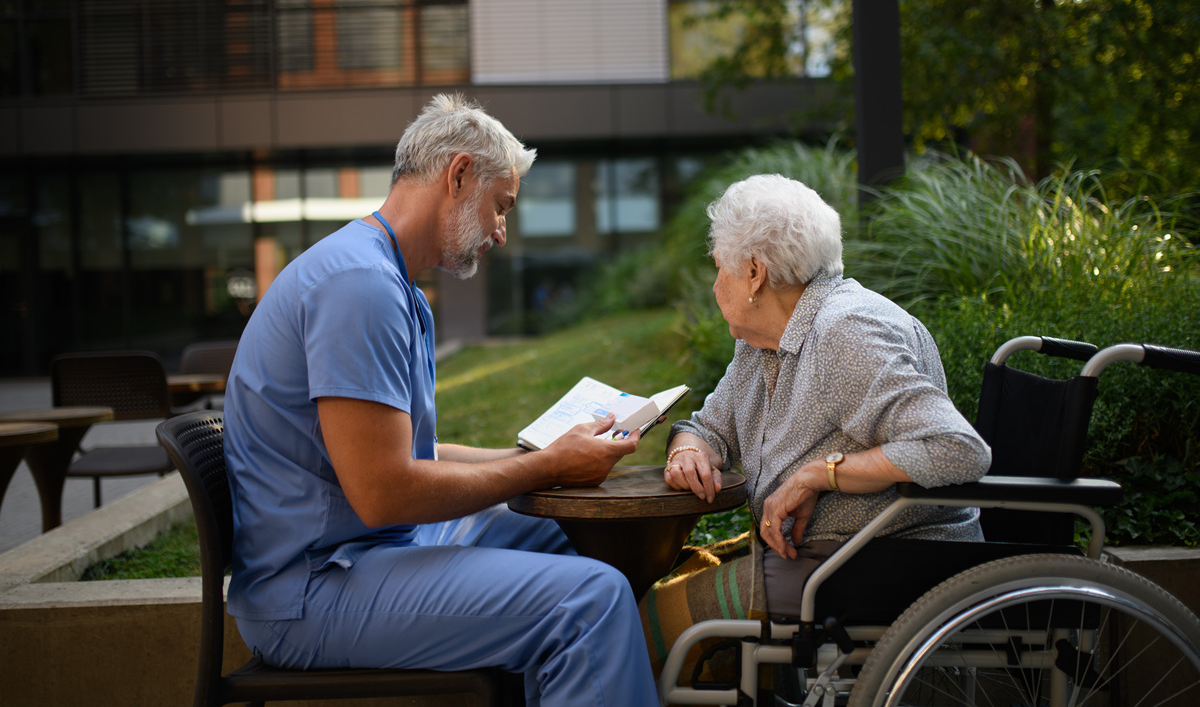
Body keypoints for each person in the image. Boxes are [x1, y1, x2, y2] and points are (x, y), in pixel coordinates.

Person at [223, 93, 659, 706]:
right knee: (591, 600)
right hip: (313, 591)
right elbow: (384, 493)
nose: (501, 233)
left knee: (575, 534)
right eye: (500, 207)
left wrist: (541, 454)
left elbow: (417, 456)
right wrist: (545, 467)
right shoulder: (360, 287)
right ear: (458, 175)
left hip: (363, 556)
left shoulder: (387, 280)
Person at [643, 173, 991, 673]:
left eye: (720, 268)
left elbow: (957, 448)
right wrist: (688, 450)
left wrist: (818, 474)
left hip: (878, 563)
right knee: (650, 589)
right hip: (816, 559)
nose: (716, 283)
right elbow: (708, 427)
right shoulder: (764, 339)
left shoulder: (843, 332)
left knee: (632, 621)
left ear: (755, 273)